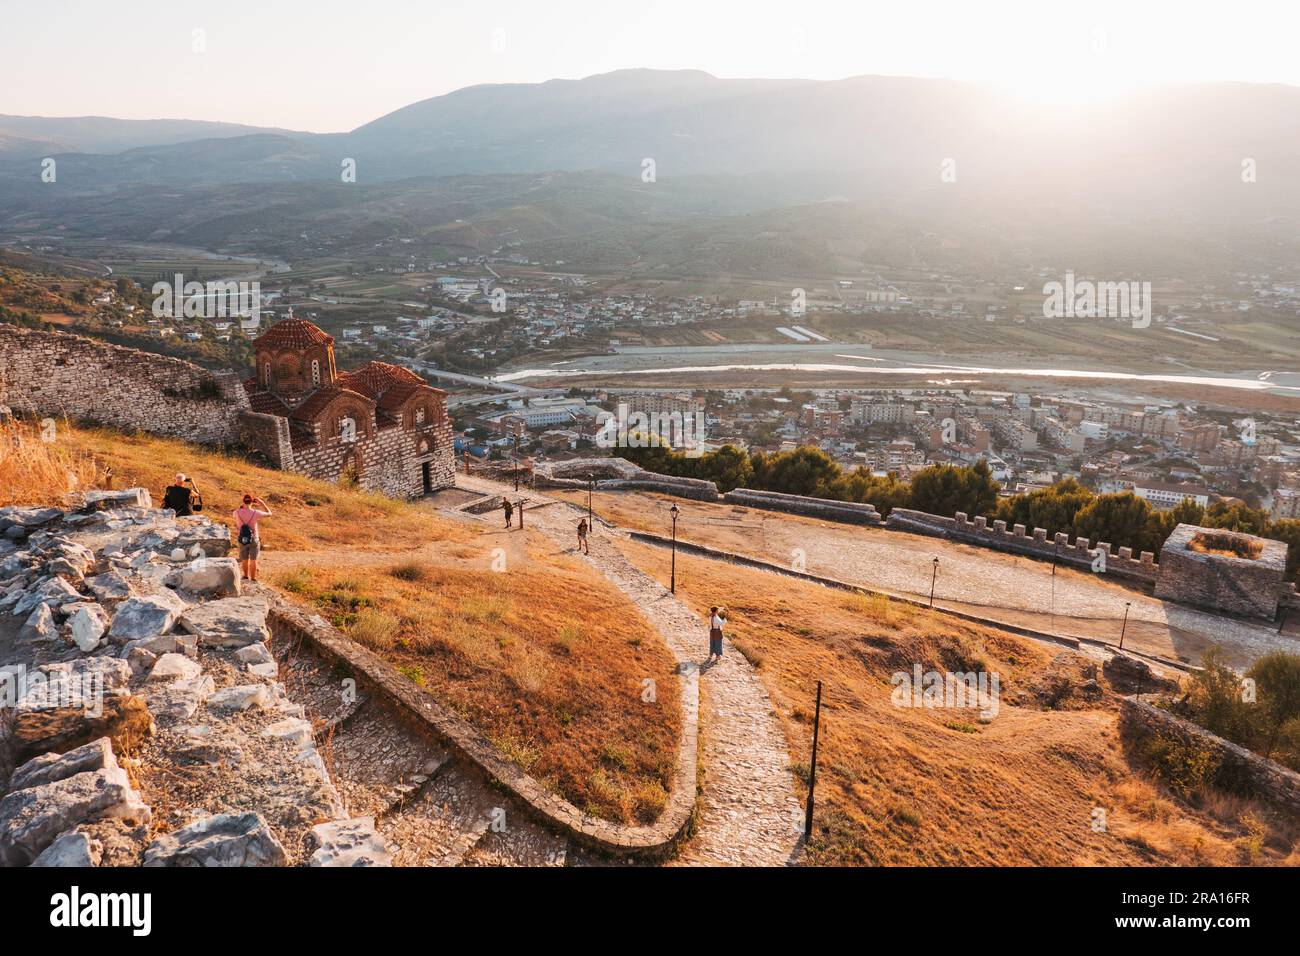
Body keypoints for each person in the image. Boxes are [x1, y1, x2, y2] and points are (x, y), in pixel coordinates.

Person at [233, 493, 272, 582]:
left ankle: (245, 576)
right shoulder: (255, 513)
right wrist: (262, 503)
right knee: (253, 560)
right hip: (254, 538)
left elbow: (239, 510)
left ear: (243, 501)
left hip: (242, 538)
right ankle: (253, 579)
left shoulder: (236, 512)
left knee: (244, 559)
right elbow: (270, 514)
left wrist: (243, 505)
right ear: (252, 502)